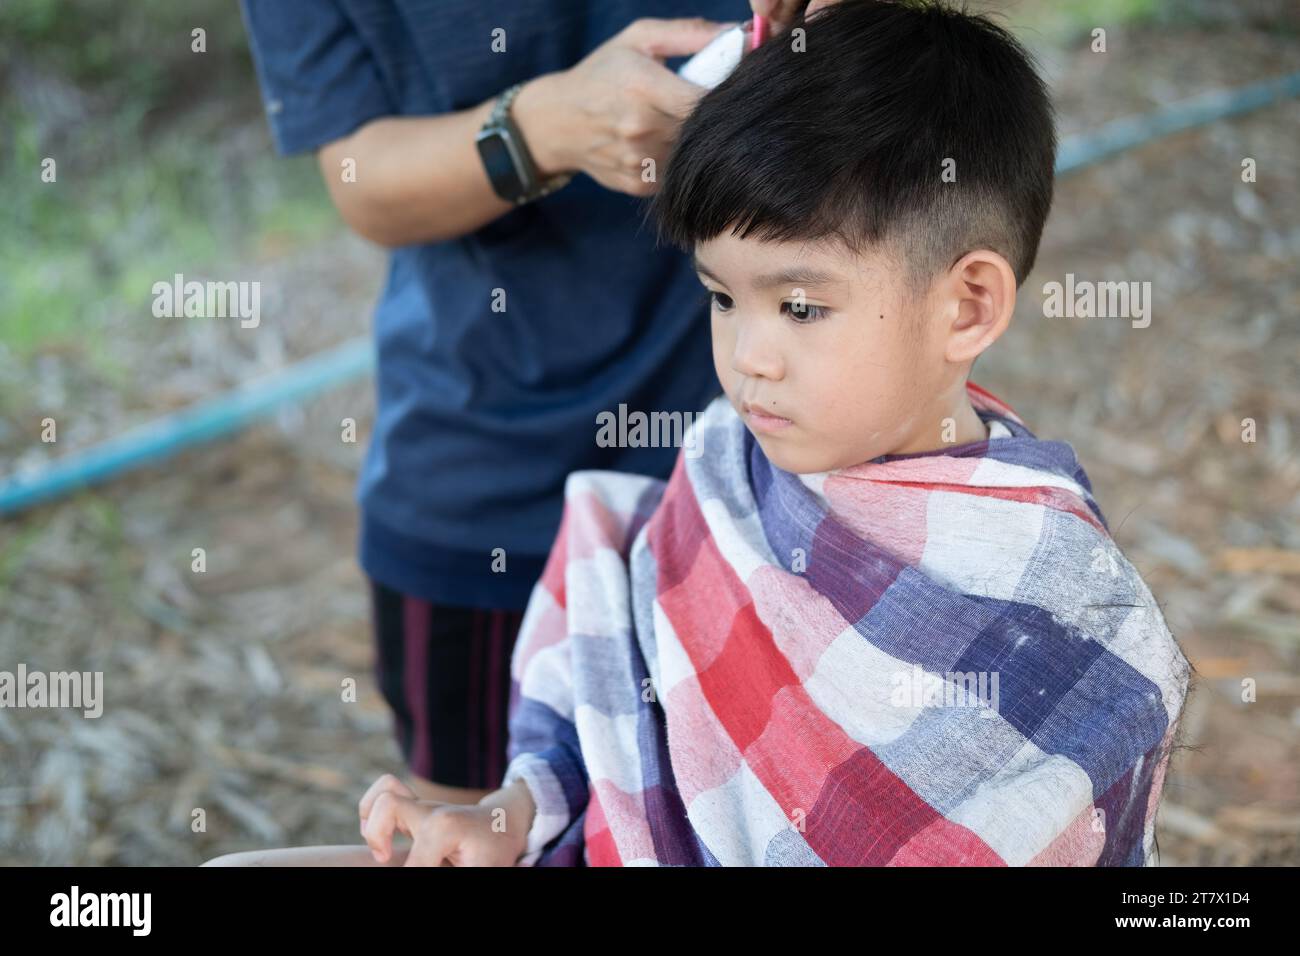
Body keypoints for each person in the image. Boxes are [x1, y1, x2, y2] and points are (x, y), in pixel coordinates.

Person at [350, 0, 1193, 866]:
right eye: (722, 298)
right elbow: (616, 726)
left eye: (799, 306)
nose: (749, 359)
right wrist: (512, 812)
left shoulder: (1062, 602)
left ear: (969, 305)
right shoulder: (726, 468)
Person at [237, 0, 767, 808]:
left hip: (760, 458)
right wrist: (544, 128)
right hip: (490, 474)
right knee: (476, 823)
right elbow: (361, 178)